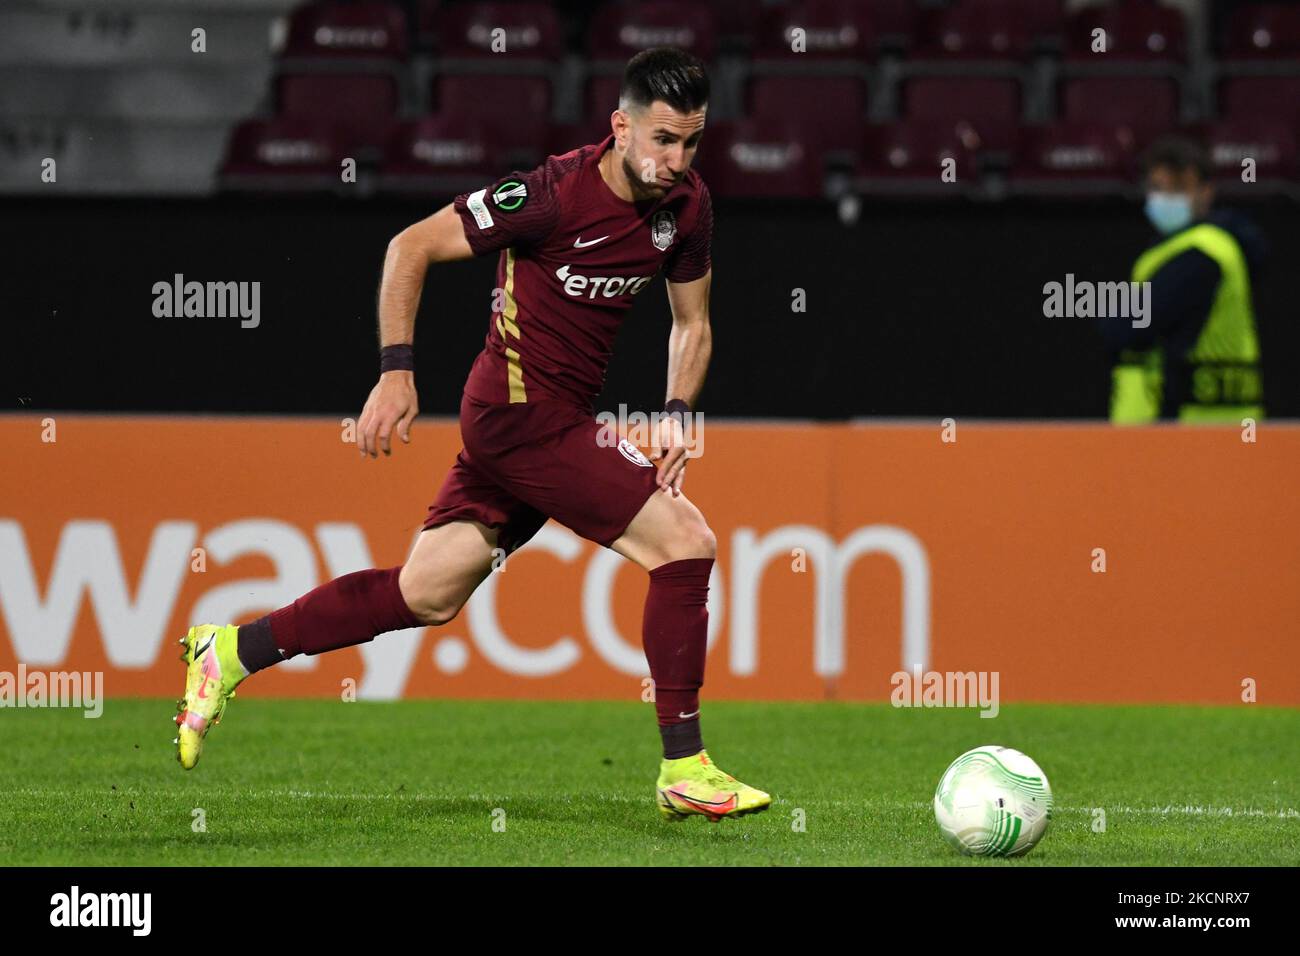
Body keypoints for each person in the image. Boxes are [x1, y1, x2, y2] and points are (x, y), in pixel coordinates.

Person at [171, 47, 770, 822]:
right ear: (620, 127)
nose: (675, 159)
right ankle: (685, 766)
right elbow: (409, 247)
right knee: (685, 543)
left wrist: (680, 411)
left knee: (426, 594)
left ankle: (231, 650)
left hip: (551, 424)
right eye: (661, 139)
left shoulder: (688, 207)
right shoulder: (549, 196)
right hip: (518, 418)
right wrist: (395, 370)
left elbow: (692, 324)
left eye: (690, 142)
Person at [1104, 136, 1266, 423]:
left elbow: (1132, 327)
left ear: (1206, 192)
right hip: (1196, 426)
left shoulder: (1204, 252)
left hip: (1202, 428)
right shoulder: (1168, 251)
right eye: (1157, 188)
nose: (1166, 198)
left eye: (1179, 188)